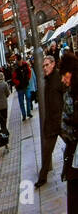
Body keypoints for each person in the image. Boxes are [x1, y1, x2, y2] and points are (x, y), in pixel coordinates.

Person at [58, 54, 78, 214]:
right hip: (72, 146)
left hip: (75, 144)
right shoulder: (69, 92)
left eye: (65, 75)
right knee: (72, 186)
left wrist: (71, 122)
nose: (63, 79)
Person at [40, 54, 65, 186]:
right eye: (43, 66)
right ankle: (42, 178)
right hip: (51, 123)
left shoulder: (59, 78)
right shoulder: (47, 81)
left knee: (72, 144)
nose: (44, 68)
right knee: (46, 151)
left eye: (47, 65)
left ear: (53, 64)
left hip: (61, 122)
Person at [12, 54, 34, 120]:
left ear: (21, 59)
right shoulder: (15, 68)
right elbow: (13, 78)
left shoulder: (25, 65)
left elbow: (29, 72)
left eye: (20, 61)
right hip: (19, 88)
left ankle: (28, 112)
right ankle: (24, 115)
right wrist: (18, 83)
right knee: (21, 102)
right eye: (18, 61)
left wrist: (28, 78)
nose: (19, 63)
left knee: (28, 98)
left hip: (26, 85)